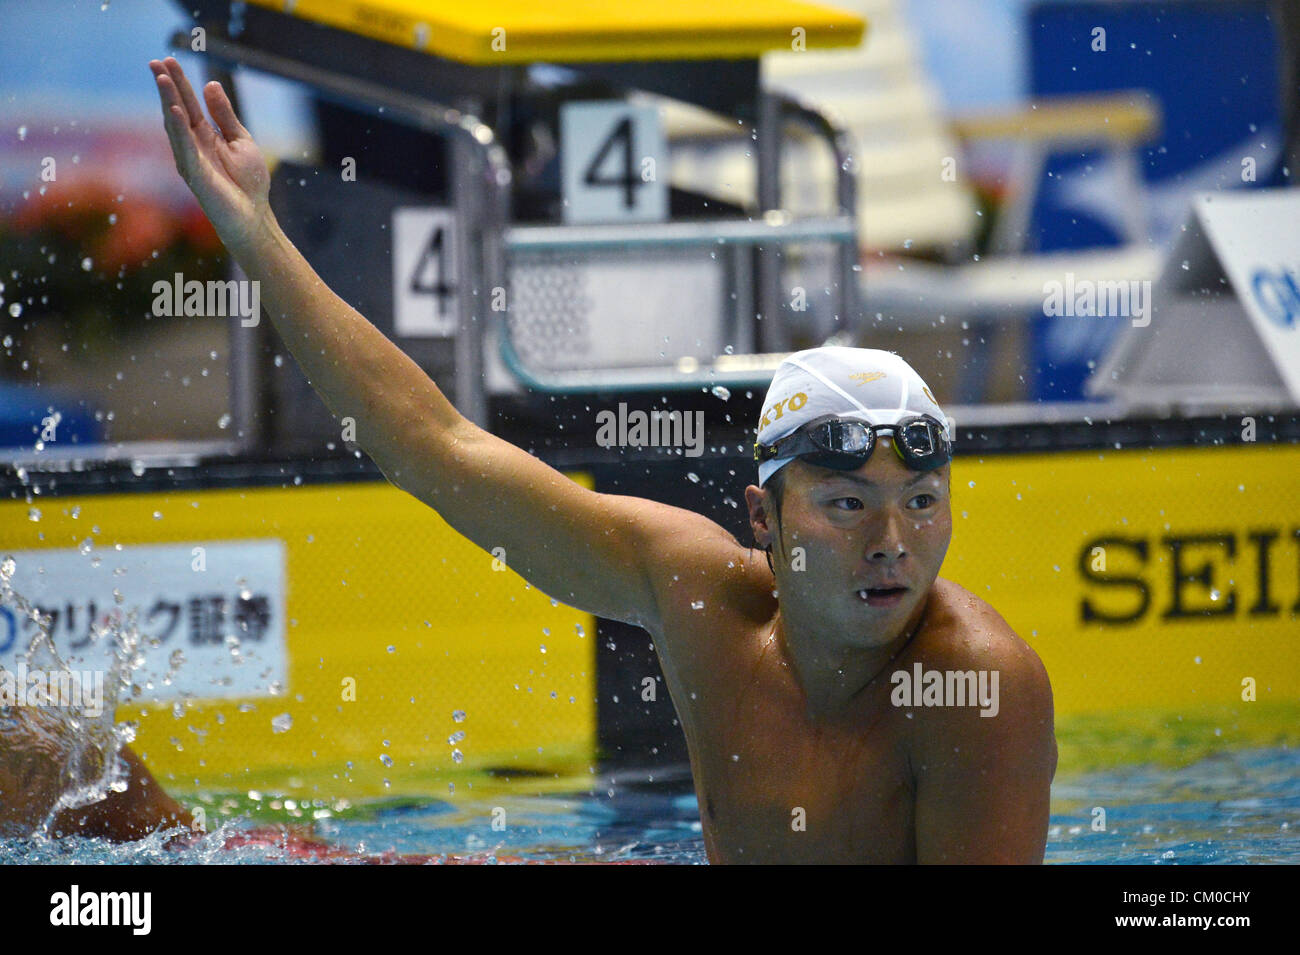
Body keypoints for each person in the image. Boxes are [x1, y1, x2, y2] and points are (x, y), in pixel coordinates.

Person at [2, 56, 1058, 863]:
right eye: (846, 503)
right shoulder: (696, 594)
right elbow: (436, 445)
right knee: (112, 810)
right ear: (761, 518)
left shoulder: (974, 689)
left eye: (921, 500)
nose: (892, 543)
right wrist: (259, 234)